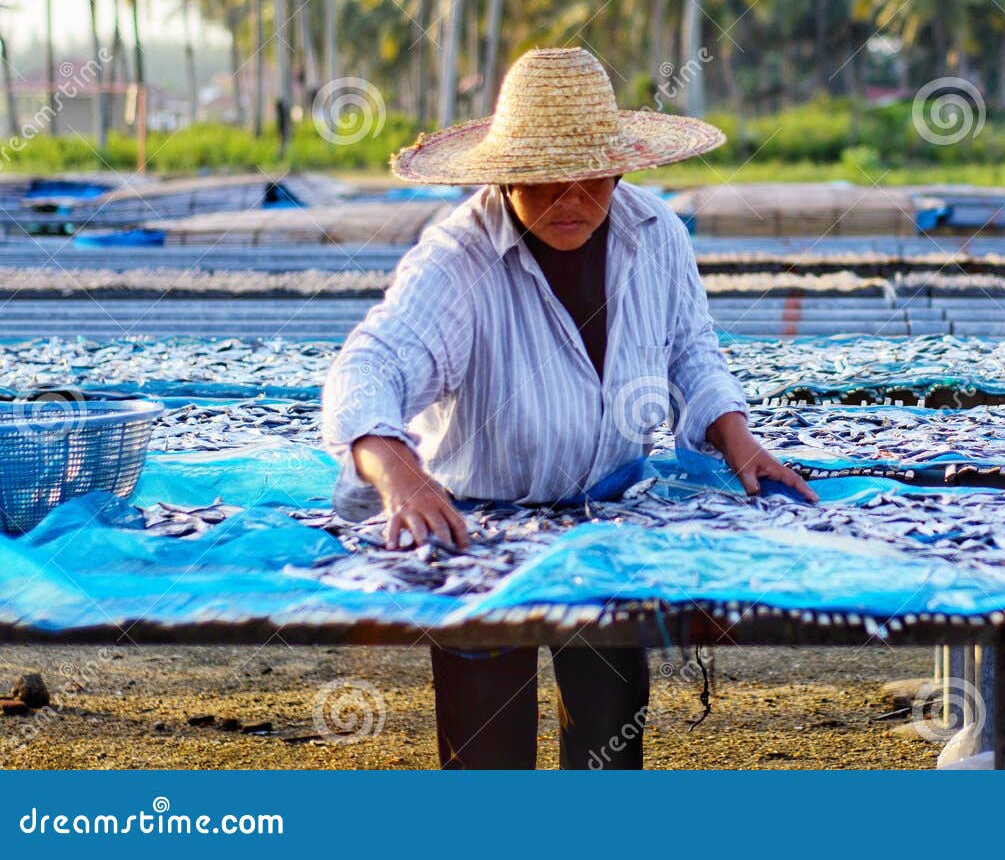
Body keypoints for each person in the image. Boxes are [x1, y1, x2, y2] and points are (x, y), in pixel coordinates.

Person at [321, 46, 816, 769]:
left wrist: (735, 436)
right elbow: (371, 365)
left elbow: (690, 352)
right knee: (489, 763)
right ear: (508, 174)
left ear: (620, 169)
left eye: (593, 180)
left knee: (609, 746)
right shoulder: (458, 260)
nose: (573, 202)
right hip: (482, 527)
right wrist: (400, 474)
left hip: (610, 520)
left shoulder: (657, 236)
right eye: (549, 181)